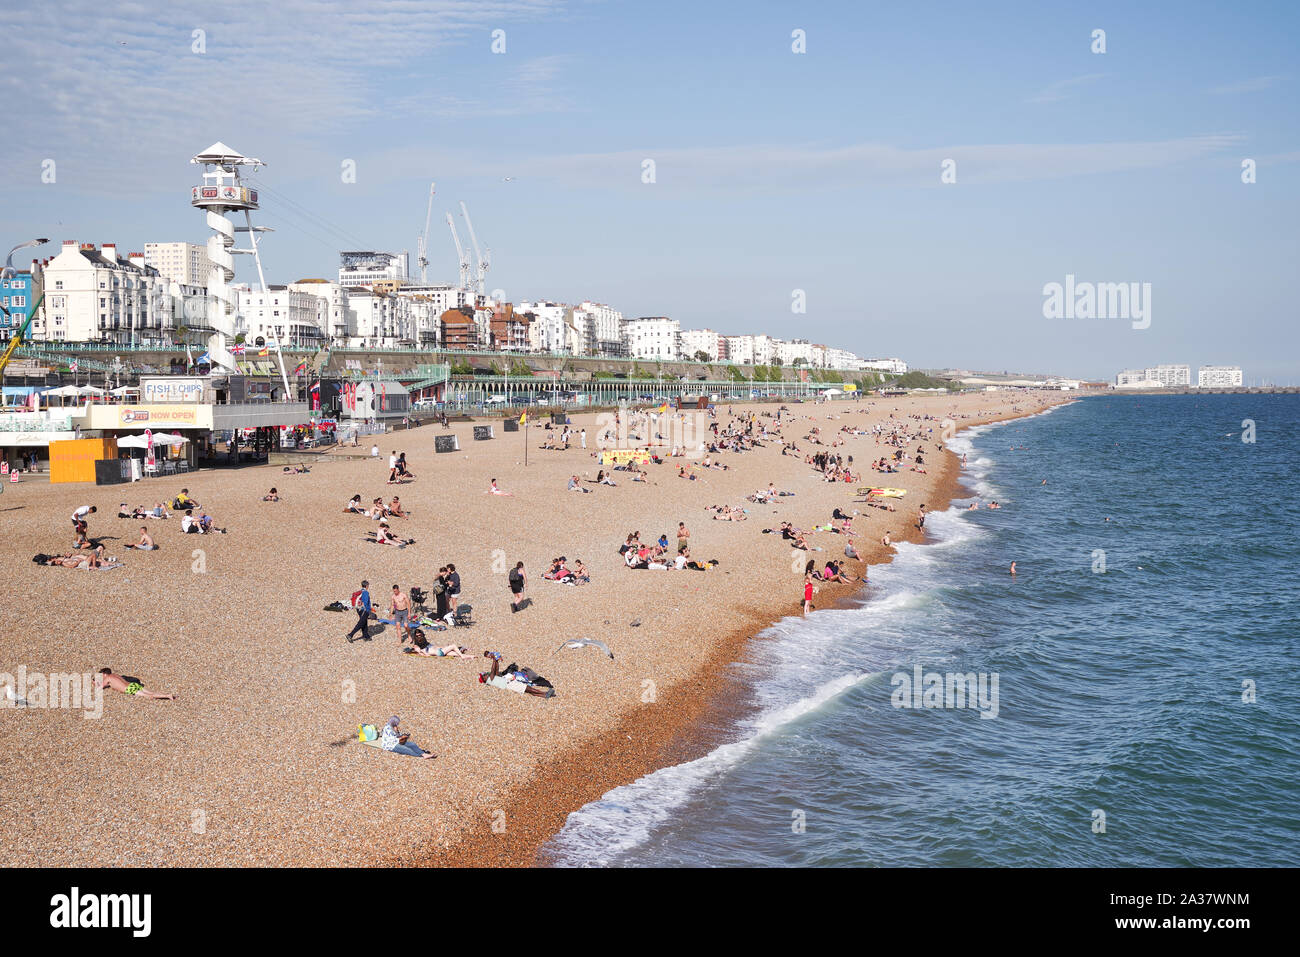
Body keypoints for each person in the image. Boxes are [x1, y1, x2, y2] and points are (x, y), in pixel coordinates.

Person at [96, 668, 176, 701]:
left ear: (104, 674)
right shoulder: (115, 675)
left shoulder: (107, 678)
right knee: (150, 692)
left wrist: (95, 683)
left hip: (129, 688)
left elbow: (100, 687)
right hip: (133, 684)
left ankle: (167, 696)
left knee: (149, 695)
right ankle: (166, 694)